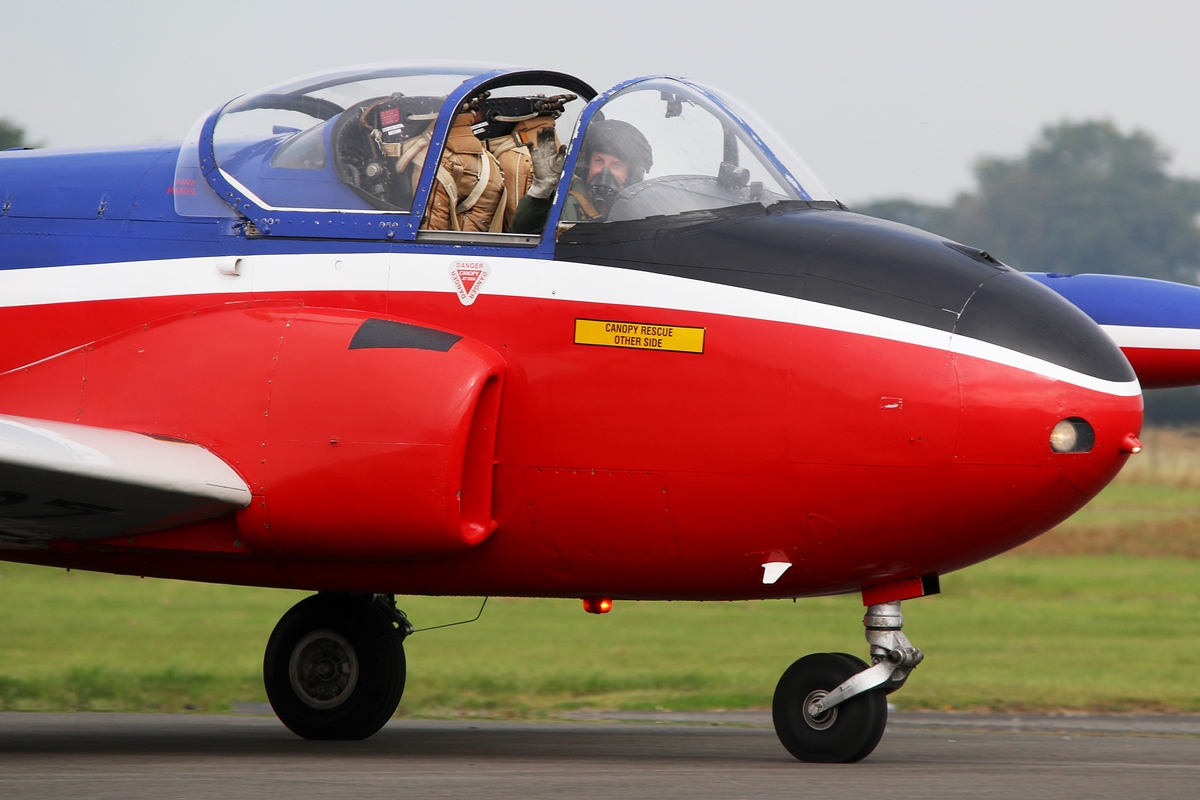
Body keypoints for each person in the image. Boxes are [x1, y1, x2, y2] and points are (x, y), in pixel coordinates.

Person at [509, 118, 653, 233]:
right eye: (599, 161)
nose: (605, 172)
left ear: (631, 173)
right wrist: (541, 188)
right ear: (587, 165)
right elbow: (522, 234)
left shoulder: (640, 208)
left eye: (616, 164)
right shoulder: (563, 204)